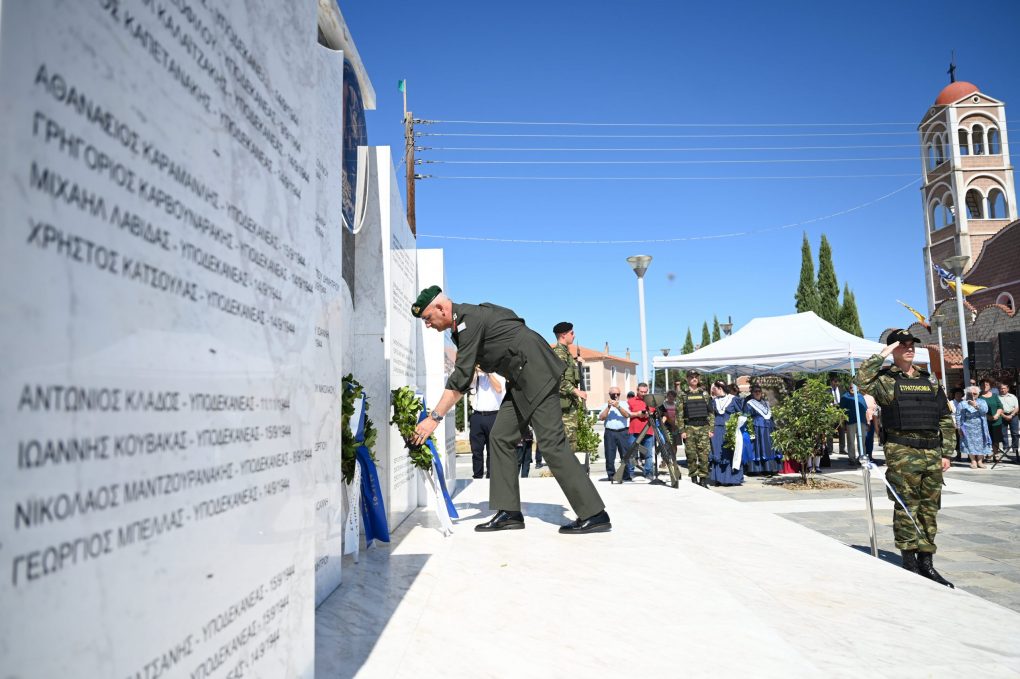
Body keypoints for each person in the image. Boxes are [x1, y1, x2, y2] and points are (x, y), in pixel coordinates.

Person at [409, 286, 610, 534]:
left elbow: (461, 379)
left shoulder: (467, 321)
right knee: (501, 436)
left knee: (551, 444)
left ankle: (594, 513)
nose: (427, 324)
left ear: (441, 308)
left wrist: (433, 418)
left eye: (427, 318)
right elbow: (512, 320)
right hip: (520, 379)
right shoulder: (467, 321)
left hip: (537, 373)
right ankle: (509, 512)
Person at [856, 329, 956, 587]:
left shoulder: (930, 380)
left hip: (932, 453)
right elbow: (861, 380)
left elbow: (944, 417)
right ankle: (909, 562)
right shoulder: (886, 380)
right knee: (906, 507)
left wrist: (947, 452)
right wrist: (883, 354)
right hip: (902, 454)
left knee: (930, 509)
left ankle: (927, 563)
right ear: (893, 350)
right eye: (903, 345)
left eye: (912, 344)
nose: (910, 348)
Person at [469, 366, 506, 479]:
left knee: (492, 451)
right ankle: (477, 476)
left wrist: (488, 373)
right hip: (477, 415)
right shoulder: (478, 375)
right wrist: (475, 372)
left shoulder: (499, 374)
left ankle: (491, 477)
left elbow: (499, 388)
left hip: (494, 416)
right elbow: (469, 386)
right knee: (476, 451)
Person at [677, 371, 713, 487]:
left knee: (704, 455)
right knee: (691, 455)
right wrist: (682, 431)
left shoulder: (705, 394)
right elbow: (679, 415)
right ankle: (693, 478)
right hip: (689, 429)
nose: (694, 379)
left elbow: (711, 413)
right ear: (687, 379)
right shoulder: (682, 394)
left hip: (703, 428)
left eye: (696, 377)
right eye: (691, 377)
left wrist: (711, 429)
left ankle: (703, 479)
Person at [709, 380, 744, 486]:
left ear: (720, 388)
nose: (713, 391)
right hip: (717, 430)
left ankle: (732, 479)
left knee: (730, 453)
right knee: (718, 453)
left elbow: (741, 414)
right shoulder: (714, 401)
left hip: (730, 430)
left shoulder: (734, 399)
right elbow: (710, 416)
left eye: (715, 388)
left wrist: (737, 426)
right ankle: (718, 479)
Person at [743, 384, 778, 475]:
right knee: (759, 448)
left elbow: (771, 416)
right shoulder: (749, 403)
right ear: (752, 393)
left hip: (768, 428)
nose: (758, 393)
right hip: (757, 428)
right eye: (756, 391)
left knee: (769, 447)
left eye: (759, 391)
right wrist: (750, 430)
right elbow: (746, 417)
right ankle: (758, 469)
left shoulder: (765, 403)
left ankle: (769, 468)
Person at [598, 387, 631, 481]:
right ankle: (611, 475)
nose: (615, 396)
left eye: (618, 394)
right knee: (609, 455)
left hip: (623, 432)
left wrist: (618, 407)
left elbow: (627, 415)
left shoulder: (624, 404)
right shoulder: (605, 405)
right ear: (609, 395)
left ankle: (626, 475)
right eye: (613, 394)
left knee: (625, 455)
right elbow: (602, 417)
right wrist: (608, 407)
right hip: (610, 432)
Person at [956, 385, 990, 468]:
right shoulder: (962, 403)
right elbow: (958, 416)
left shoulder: (982, 402)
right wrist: (959, 427)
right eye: (971, 393)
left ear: (978, 394)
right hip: (968, 428)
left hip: (981, 427)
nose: (973, 395)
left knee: (982, 444)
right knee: (969, 444)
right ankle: (973, 461)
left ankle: (980, 461)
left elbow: (985, 411)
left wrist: (976, 405)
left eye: (975, 393)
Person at [627, 382, 656, 480]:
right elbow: (627, 414)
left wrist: (648, 414)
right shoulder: (630, 401)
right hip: (634, 430)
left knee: (648, 453)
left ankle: (648, 472)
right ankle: (630, 472)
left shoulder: (651, 401)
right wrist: (638, 414)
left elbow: (652, 412)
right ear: (637, 390)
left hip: (648, 430)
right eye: (641, 391)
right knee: (632, 452)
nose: (643, 393)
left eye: (645, 392)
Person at [840, 386, 868, 467]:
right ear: (849, 388)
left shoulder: (860, 396)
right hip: (850, 422)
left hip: (861, 422)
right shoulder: (845, 397)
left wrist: (867, 422)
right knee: (851, 441)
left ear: (858, 388)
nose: (853, 389)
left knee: (862, 441)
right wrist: (842, 423)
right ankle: (852, 458)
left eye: (855, 387)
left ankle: (862, 457)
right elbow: (842, 411)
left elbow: (865, 409)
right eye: (851, 387)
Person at [979, 378, 1005, 462]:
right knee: (985, 439)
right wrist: (987, 416)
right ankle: (988, 453)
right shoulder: (978, 396)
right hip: (983, 422)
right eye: (982, 385)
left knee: (995, 439)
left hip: (996, 421)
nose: (984, 386)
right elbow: (977, 409)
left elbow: (1000, 406)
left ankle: (996, 454)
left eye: (986, 384)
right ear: (980, 386)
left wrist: (997, 415)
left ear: (990, 386)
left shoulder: (994, 395)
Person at [999, 382, 1019, 462]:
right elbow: (998, 408)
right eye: (1001, 388)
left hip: (1013, 416)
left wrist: (1012, 415)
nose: (1002, 390)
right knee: (1003, 433)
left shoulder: (1013, 396)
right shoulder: (997, 397)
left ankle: (1015, 447)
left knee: (1015, 432)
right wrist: (1004, 415)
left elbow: (1017, 407)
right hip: (1002, 416)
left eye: (1004, 388)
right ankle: (1006, 447)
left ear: (1007, 389)